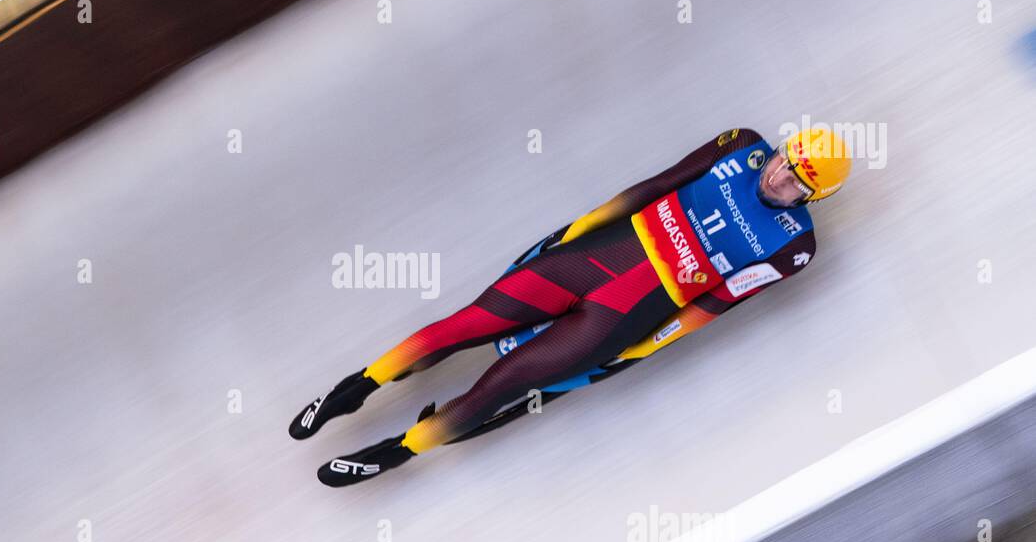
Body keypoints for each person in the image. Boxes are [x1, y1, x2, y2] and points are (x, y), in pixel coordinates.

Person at [290, 127, 852, 486]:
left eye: (793, 182)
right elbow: (654, 186)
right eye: (783, 160)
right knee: (466, 324)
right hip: (595, 256)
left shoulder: (794, 246)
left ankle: (402, 449)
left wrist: (643, 348)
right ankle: (357, 386)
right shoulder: (741, 144)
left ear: (810, 198)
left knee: (504, 382)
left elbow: (718, 302)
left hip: (626, 313)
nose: (777, 176)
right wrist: (576, 232)